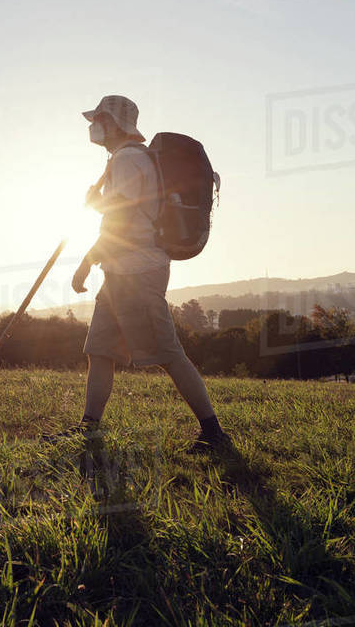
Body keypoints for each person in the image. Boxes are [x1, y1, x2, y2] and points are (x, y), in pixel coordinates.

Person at [66, 94, 231, 453]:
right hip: (120, 272)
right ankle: (88, 427)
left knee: (168, 354)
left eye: (99, 120)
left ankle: (214, 433)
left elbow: (121, 220)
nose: (94, 127)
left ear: (114, 123)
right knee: (101, 351)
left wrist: (86, 258)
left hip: (137, 272)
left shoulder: (127, 160)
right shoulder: (123, 159)